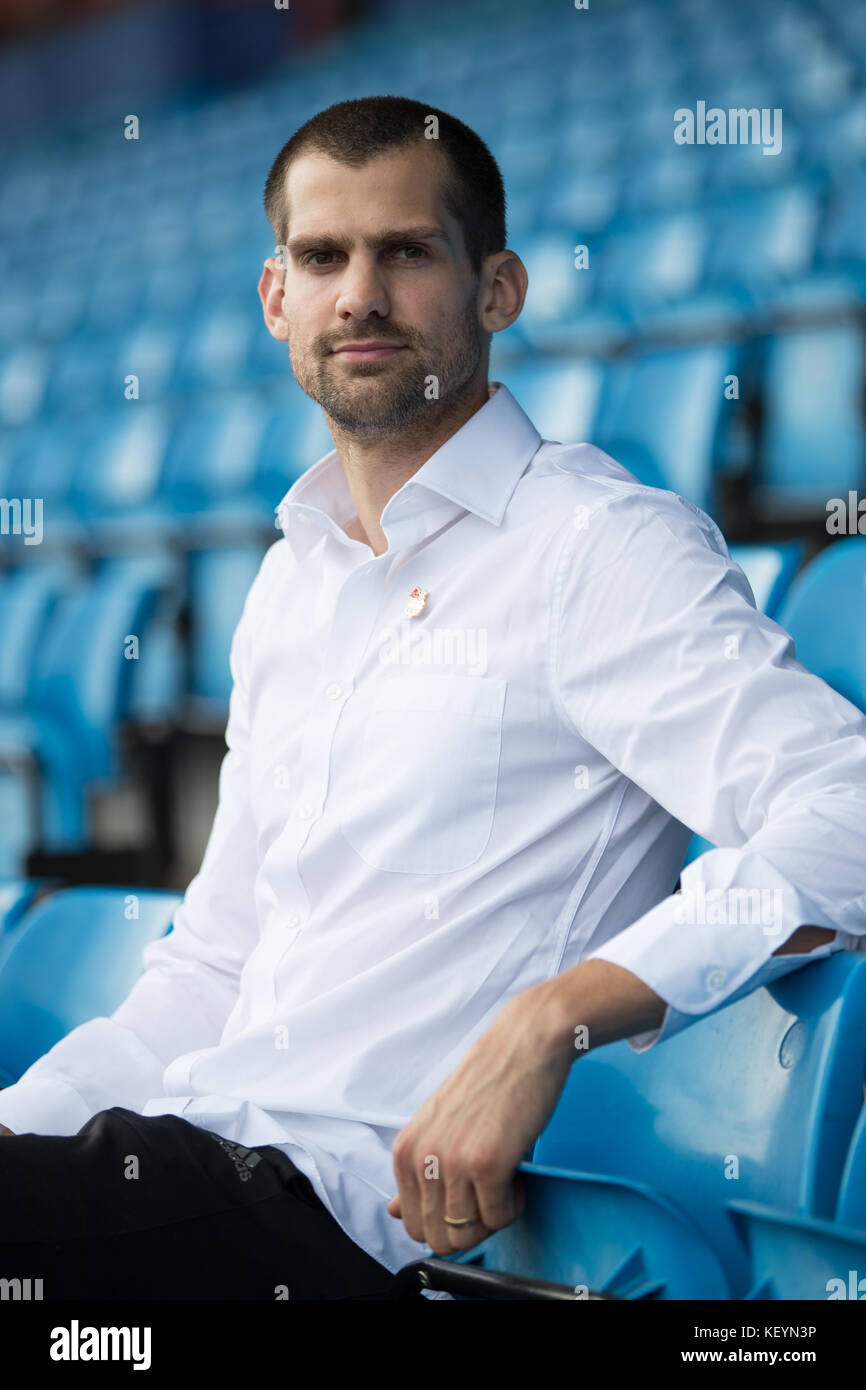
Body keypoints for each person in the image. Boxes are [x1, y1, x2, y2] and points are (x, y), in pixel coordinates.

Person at [0, 96, 864, 1301]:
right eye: (322, 257)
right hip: (200, 1170)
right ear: (275, 299)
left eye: (405, 252)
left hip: (347, 1223)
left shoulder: (592, 546)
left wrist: (553, 1016)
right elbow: (211, 964)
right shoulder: (290, 578)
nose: (358, 294)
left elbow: (846, 812)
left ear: (496, 288)